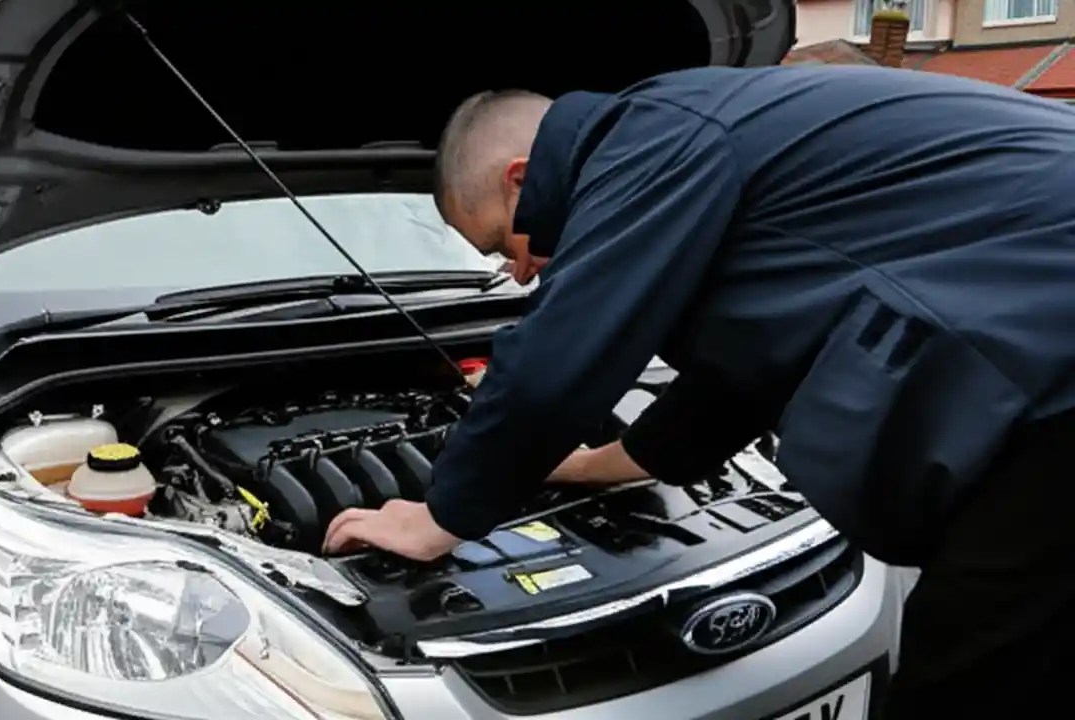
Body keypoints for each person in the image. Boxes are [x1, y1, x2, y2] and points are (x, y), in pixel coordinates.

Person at [321, 64, 1075, 717]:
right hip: (1040, 338)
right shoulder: (708, 131)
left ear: (523, 175)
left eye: (499, 244)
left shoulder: (649, 136)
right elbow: (731, 385)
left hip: (1050, 366)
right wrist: (577, 468)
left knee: (971, 675)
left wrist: (441, 516)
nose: (515, 274)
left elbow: (559, 355)